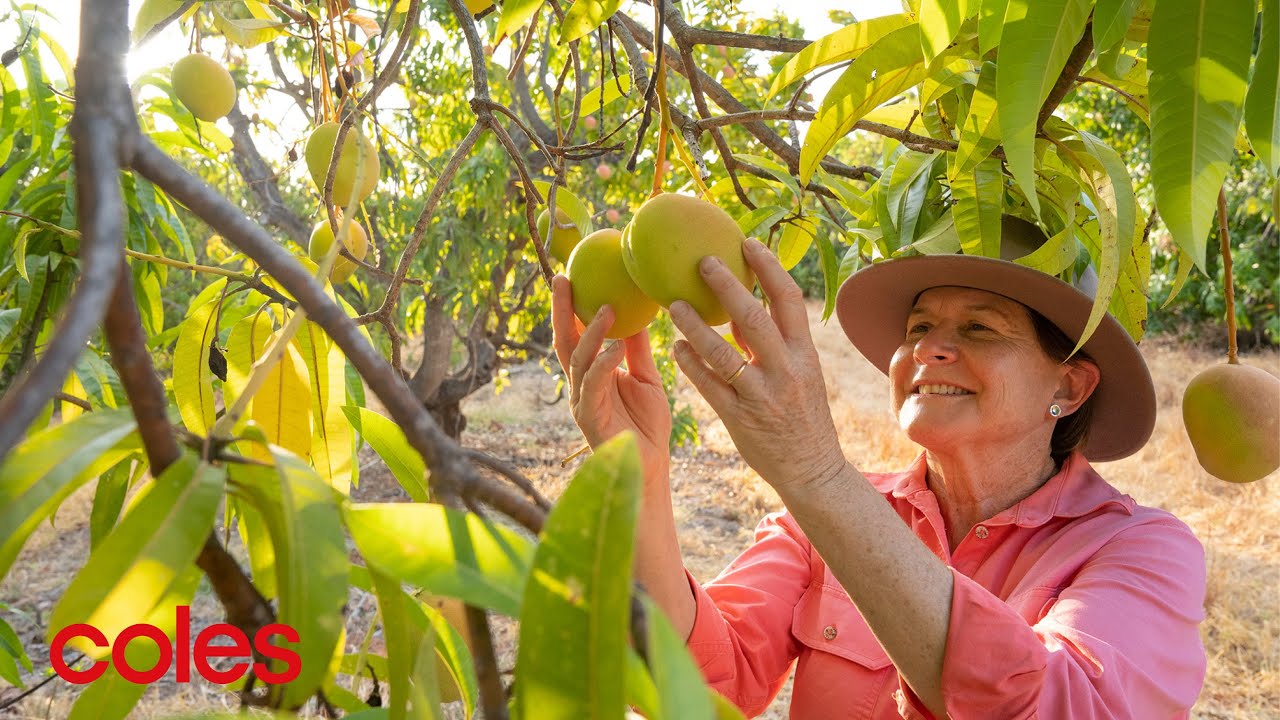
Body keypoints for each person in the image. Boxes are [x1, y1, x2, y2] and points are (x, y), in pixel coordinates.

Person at [550, 215, 1207, 719]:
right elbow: (697, 685)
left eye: (979, 329)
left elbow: (1062, 705)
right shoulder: (822, 524)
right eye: (919, 327)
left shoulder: (1140, 550)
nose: (931, 351)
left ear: (1067, 388)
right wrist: (640, 480)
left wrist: (816, 473)